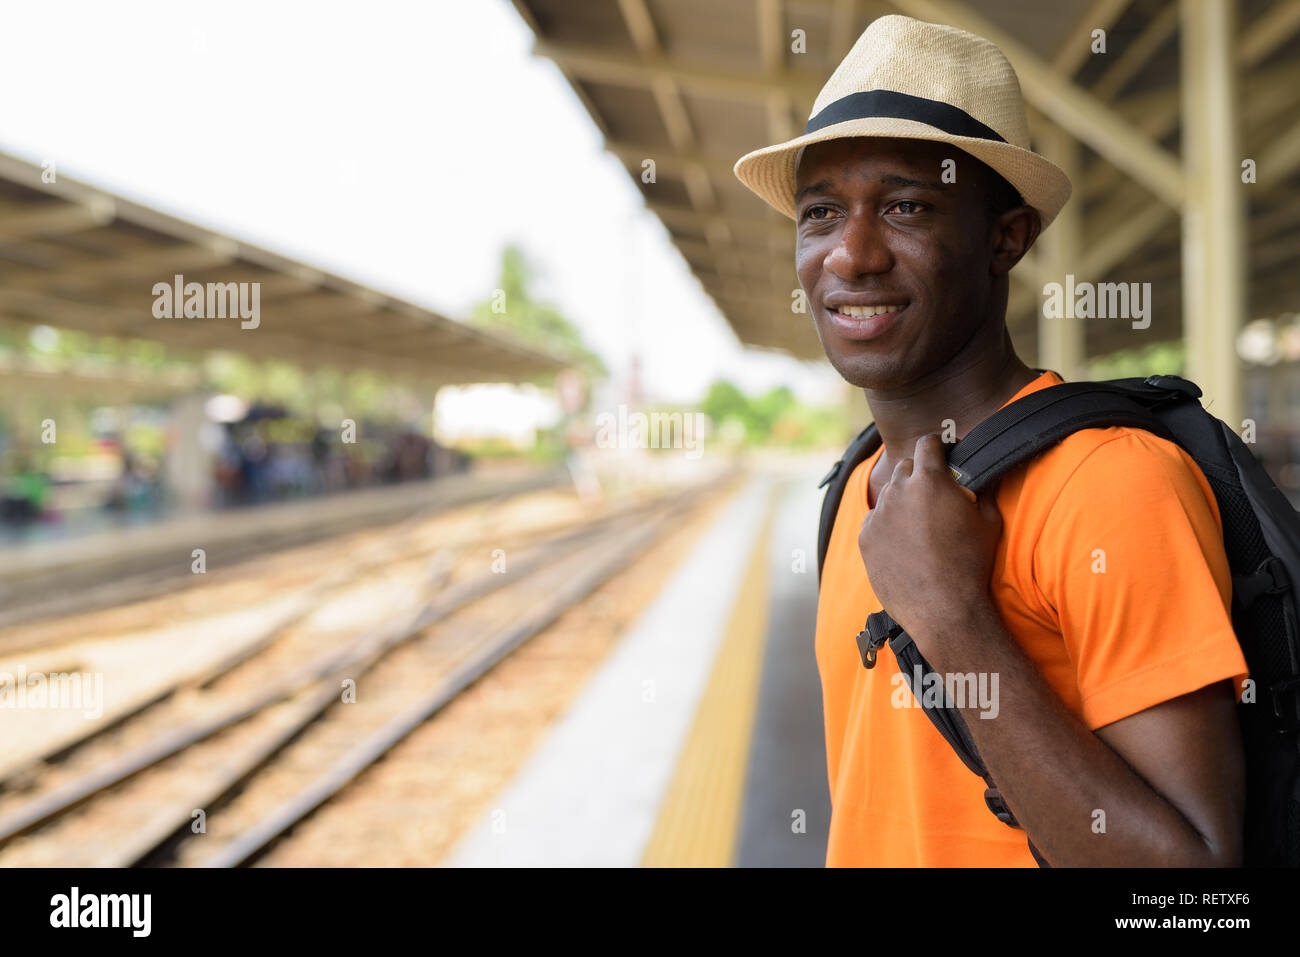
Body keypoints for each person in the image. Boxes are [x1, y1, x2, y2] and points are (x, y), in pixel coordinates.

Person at [734, 14, 1248, 867]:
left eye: (906, 206)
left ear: (1005, 237)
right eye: (821, 213)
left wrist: (954, 617)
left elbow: (1191, 893)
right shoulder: (852, 485)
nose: (851, 254)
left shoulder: (1112, 485)